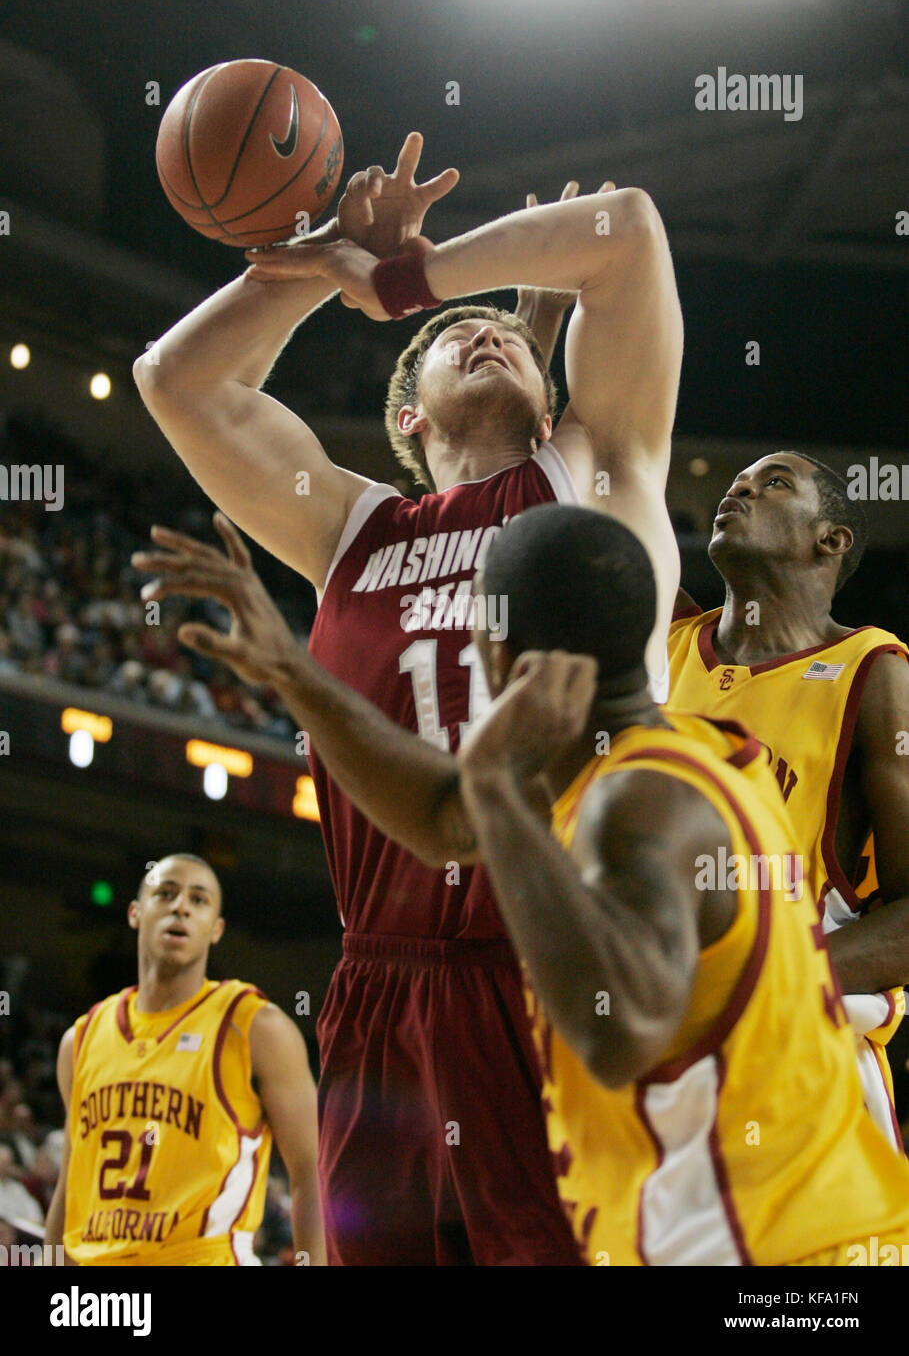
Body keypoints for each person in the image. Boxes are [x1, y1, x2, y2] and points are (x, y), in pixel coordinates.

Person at [133, 134, 683, 1264]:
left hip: (555, 963)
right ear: (410, 423)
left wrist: (408, 281)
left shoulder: (601, 469)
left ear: (550, 398)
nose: (476, 331)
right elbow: (173, 380)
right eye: (444, 343)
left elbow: (625, 233)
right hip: (379, 991)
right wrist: (304, 256)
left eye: (501, 333)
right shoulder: (347, 526)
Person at [134, 505, 909, 1265]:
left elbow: (617, 1033)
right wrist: (289, 672)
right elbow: (445, 817)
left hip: (785, 1254)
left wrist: (499, 795)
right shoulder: (679, 757)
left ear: (495, 654)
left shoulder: (642, 804)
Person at [668, 451, 909, 1149]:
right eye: (736, 482)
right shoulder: (663, 641)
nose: (739, 490)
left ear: (828, 541)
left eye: (772, 483)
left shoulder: (872, 673)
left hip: (797, 1065)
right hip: (653, 1066)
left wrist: (745, 988)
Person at [44, 853, 325, 1266]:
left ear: (217, 930)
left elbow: (310, 1172)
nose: (181, 906)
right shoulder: (81, 1040)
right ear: (135, 913)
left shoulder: (253, 1027)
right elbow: (70, 1186)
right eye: (166, 893)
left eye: (199, 899)